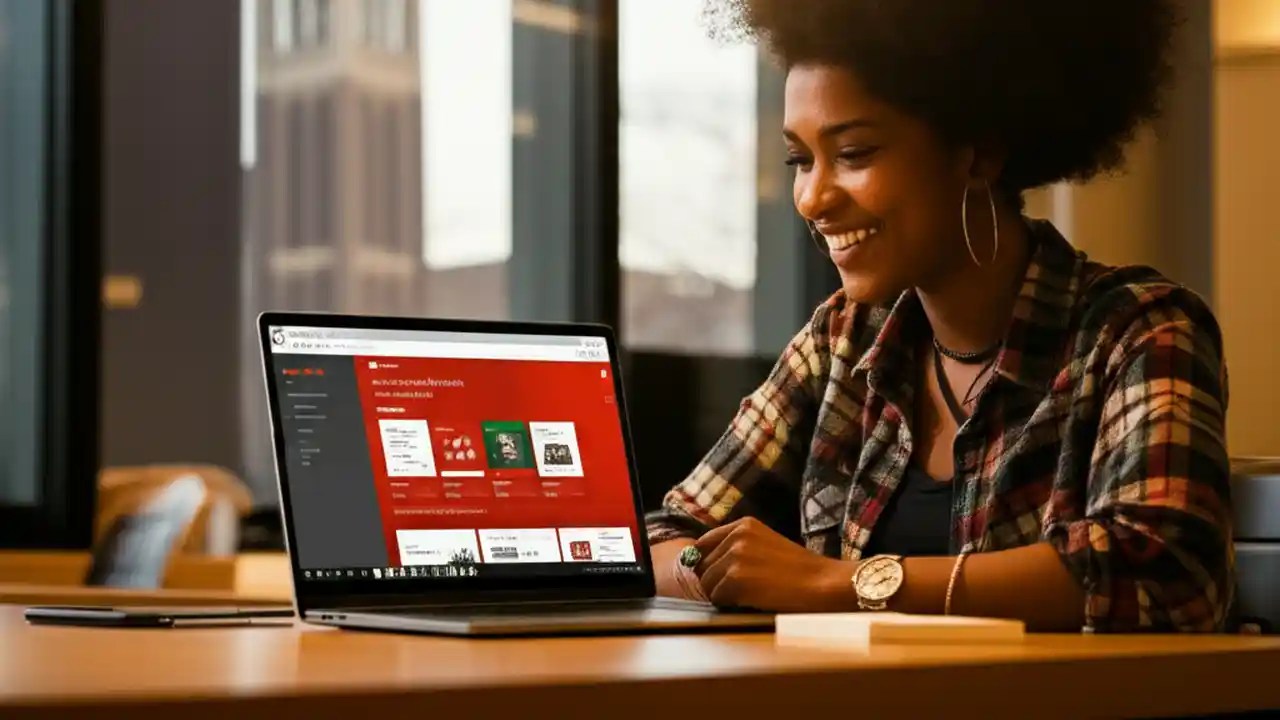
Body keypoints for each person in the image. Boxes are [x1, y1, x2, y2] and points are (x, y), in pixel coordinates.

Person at [646, 0, 1234, 633]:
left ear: (977, 152)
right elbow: (662, 537)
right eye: (801, 161)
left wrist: (836, 584)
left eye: (855, 152)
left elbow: (1165, 574)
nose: (813, 198)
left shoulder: (1140, 332)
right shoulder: (840, 341)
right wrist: (724, 569)